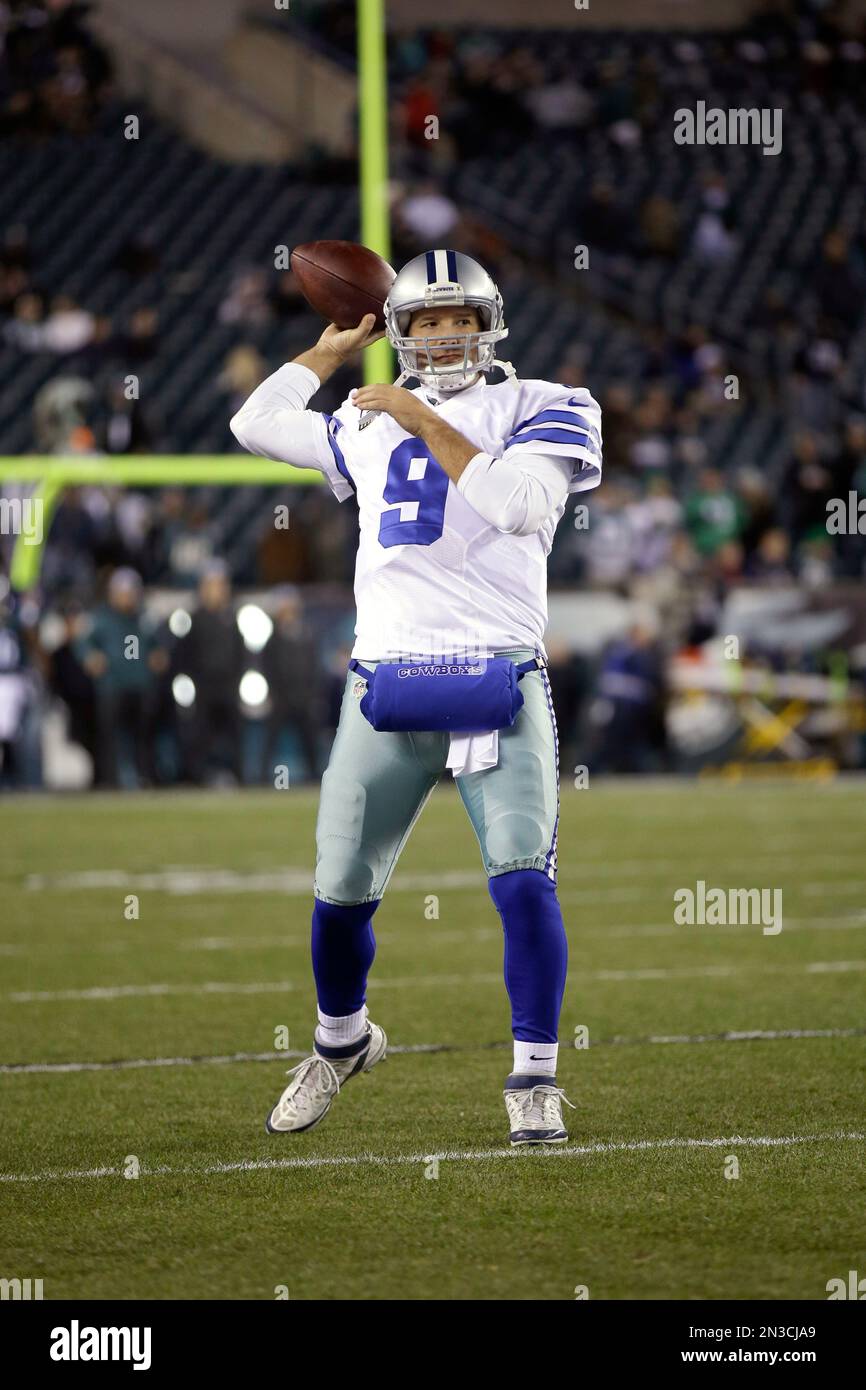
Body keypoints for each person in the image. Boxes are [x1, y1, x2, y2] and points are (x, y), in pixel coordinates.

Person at [230, 249, 603, 1145]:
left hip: (498, 676)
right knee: (338, 896)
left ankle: (534, 1080)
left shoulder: (543, 404)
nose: (445, 336)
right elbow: (254, 421)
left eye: (460, 319)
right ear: (400, 330)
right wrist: (326, 355)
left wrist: (410, 412)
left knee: (523, 883)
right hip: (384, 678)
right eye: (427, 321)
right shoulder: (361, 423)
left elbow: (514, 503)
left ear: (488, 325)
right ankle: (342, 1042)